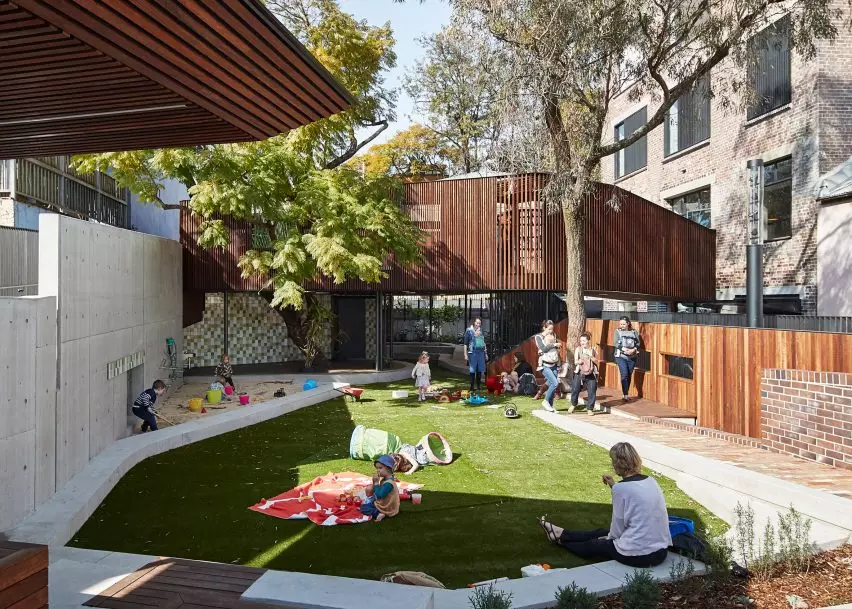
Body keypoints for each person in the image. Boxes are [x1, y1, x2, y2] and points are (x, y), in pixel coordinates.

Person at [538, 442, 671, 567]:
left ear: (619, 463)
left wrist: (608, 540)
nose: (612, 464)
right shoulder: (651, 481)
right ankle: (561, 532)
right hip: (660, 551)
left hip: (640, 555)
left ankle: (560, 540)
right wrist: (613, 485)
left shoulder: (622, 489)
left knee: (595, 544)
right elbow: (632, 495)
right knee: (600, 532)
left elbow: (617, 527)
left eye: (613, 460)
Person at [360, 455, 400, 522]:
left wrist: (376, 483)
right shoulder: (386, 479)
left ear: (388, 468)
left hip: (387, 508)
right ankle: (377, 511)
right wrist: (375, 483)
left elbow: (380, 495)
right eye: (377, 468)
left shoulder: (389, 483)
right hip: (385, 503)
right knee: (366, 504)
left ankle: (378, 514)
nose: (378, 470)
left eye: (380, 468)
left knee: (364, 508)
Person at [534, 320, 561, 412]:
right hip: (544, 364)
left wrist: (557, 346)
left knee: (551, 383)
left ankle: (550, 405)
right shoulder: (538, 337)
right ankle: (545, 401)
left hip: (553, 363)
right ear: (544, 328)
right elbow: (544, 349)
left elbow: (557, 347)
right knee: (555, 383)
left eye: (552, 329)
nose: (551, 331)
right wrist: (554, 344)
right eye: (549, 329)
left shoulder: (554, 335)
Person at [571, 332, 600, 415]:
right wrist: (578, 362)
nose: (582, 342)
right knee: (575, 389)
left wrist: (591, 356)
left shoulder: (593, 349)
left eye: (584, 340)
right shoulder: (578, 349)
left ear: (588, 341)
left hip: (591, 373)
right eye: (581, 341)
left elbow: (596, 361)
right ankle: (573, 404)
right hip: (580, 372)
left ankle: (590, 409)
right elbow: (575, 361)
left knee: (592, 391)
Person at [615, 316, 641, 402]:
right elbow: (616, 343)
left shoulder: (634, 332)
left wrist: (633, 350)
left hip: (632, 356)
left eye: (623, 324)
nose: (622, 325)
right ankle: (625, 394)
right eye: (620, 324)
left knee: (629, 375)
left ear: (628, 323)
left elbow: (638, 343)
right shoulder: (617, 331)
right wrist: (625, 350)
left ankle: (626, 393)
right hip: (621, 356)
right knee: (624, 374)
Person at [463, 318, 488, 393]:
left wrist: (485, 353)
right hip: (472, 352)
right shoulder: (469, 331)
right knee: (473, 370)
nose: (478, 324)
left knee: (479, 370)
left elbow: (483, 342)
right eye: (477, 323)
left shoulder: (481, 330)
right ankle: (471, 387)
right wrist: (465, 354)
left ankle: (478, 387)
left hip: (481, 352)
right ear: (474, 323)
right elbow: (465, 344)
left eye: (479, 323)